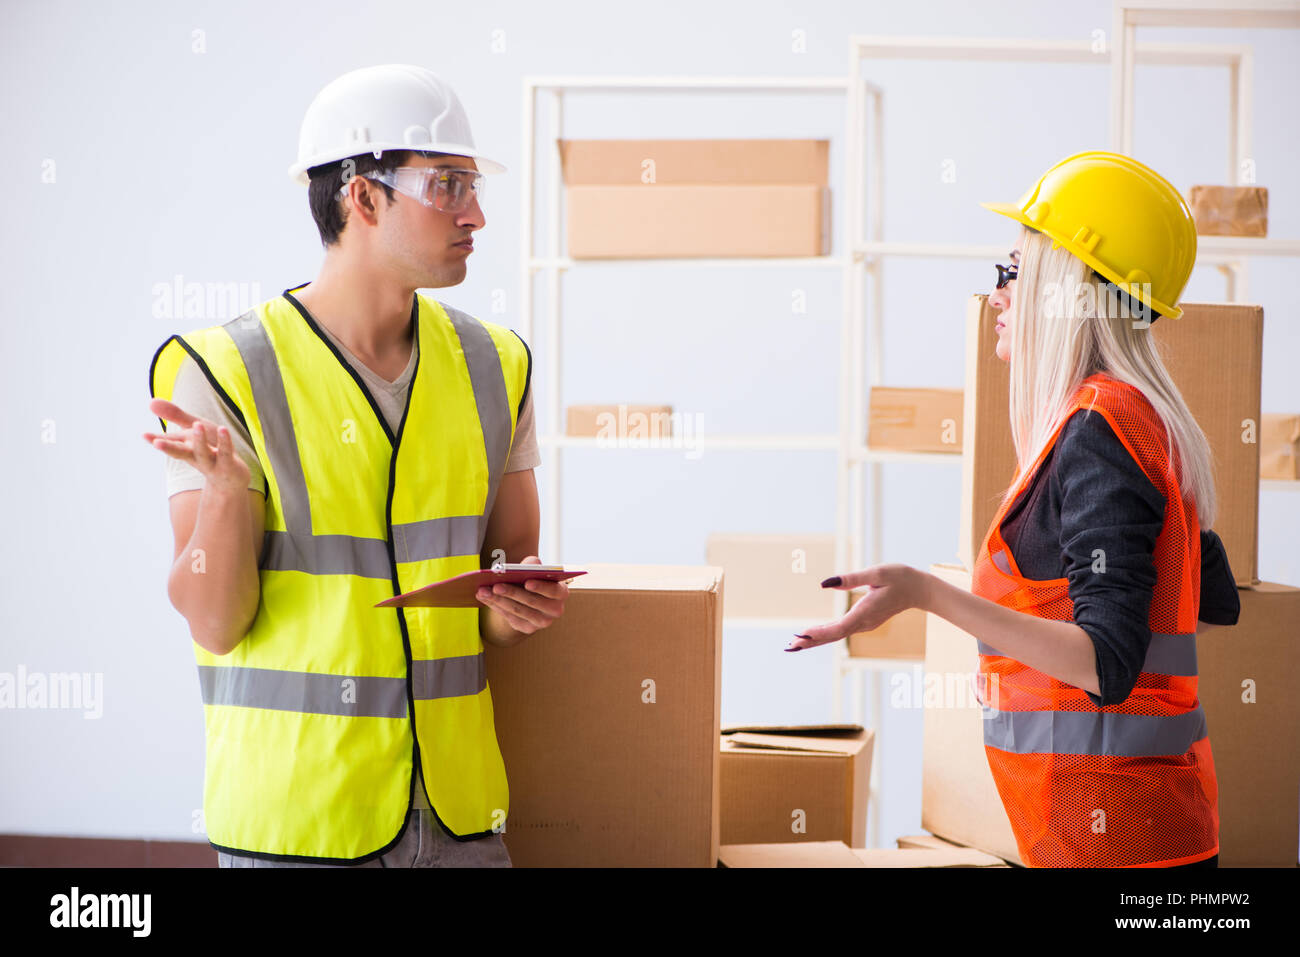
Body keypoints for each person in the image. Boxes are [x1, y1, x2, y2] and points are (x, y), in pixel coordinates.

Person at [142, 64, 568, 867]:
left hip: (461, 822)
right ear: (361, 197)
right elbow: (212, 620)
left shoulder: (495, 364)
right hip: (299, 828)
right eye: (446, 185)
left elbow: (498, 585)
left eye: (472, 185)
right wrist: (229, 494)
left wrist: (510, 613)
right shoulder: (227, 368)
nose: (475, 214)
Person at [788, 151, 1239, 868]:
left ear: (1069, 288)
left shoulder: (1100, 435)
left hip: (1116, 845)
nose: (996, 296)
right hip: (1142, 836)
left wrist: (925, 593)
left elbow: (1110, 662)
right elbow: (1209, 600)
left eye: (1012, 271)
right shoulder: (1139, 421)